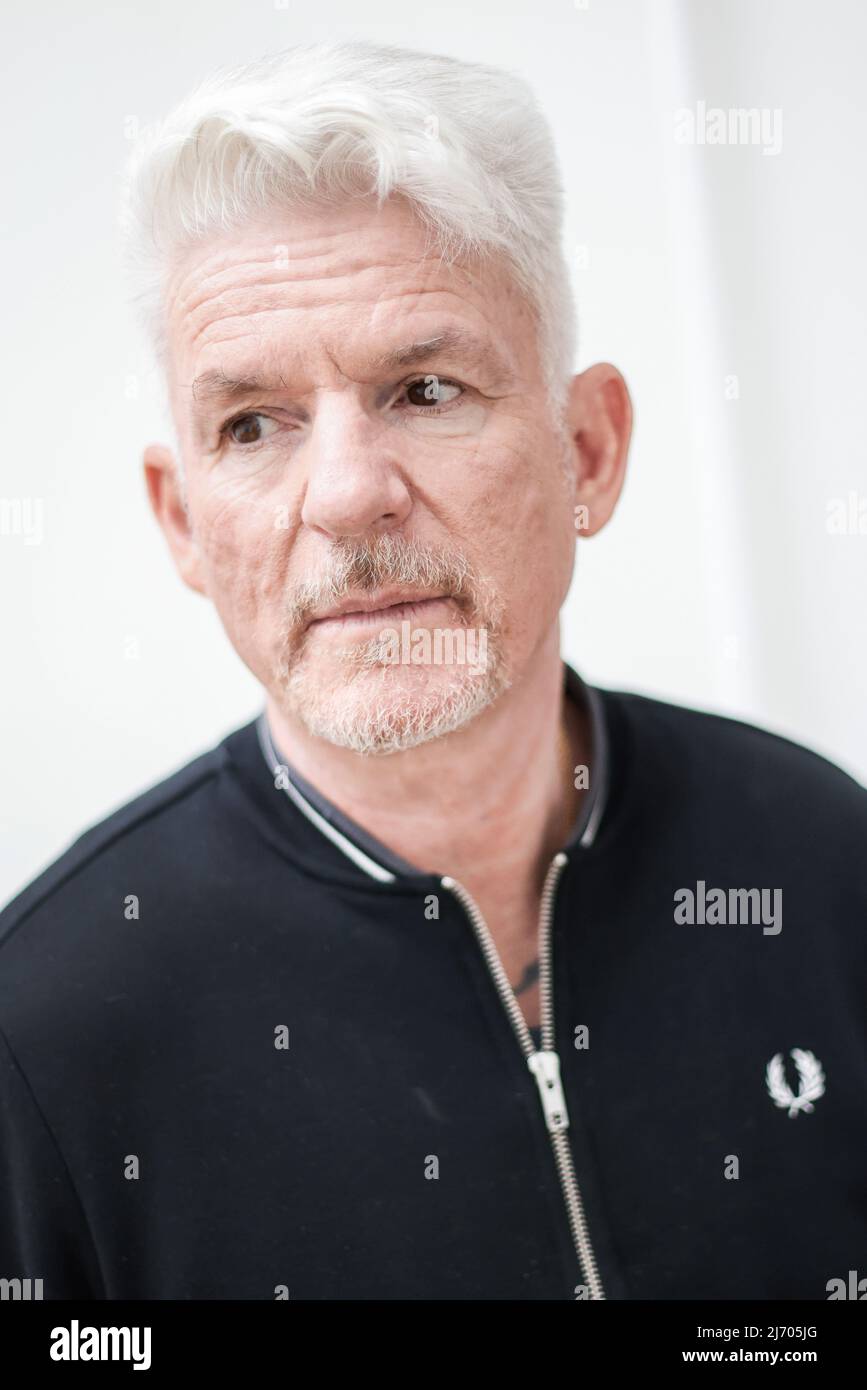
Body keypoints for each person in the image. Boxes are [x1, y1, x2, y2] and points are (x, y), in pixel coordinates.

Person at [1, 40, 864, 1301]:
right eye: (253, 424)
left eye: (425, 388)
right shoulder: (43, 1035)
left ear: (589, 449)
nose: (348, 496)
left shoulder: (823, 861)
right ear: (182, 518)